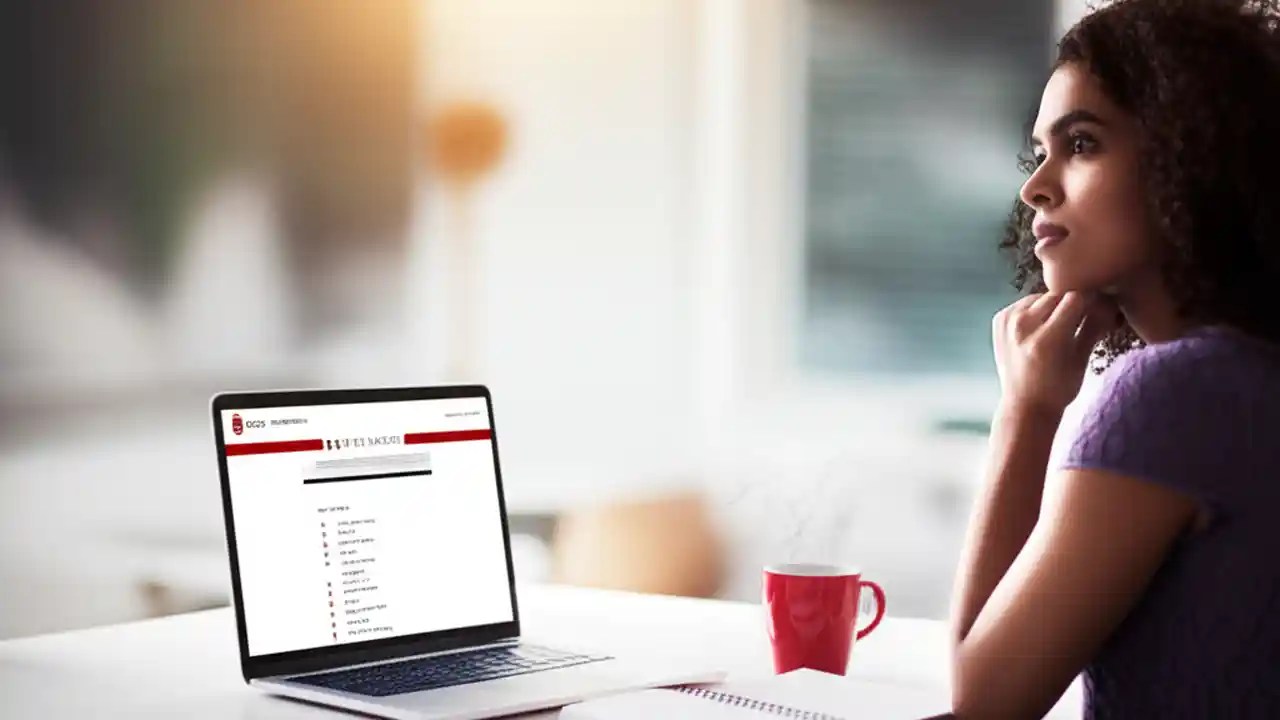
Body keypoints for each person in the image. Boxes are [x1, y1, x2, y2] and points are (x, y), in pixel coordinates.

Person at [948, 0, 1280, 717]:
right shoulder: (1249, 373)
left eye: (1084, 144)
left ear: (1191, 158)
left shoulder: (1181, 391)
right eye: (1040, 153)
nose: (1035, 187)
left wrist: (1027, 411)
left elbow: (983, 701)